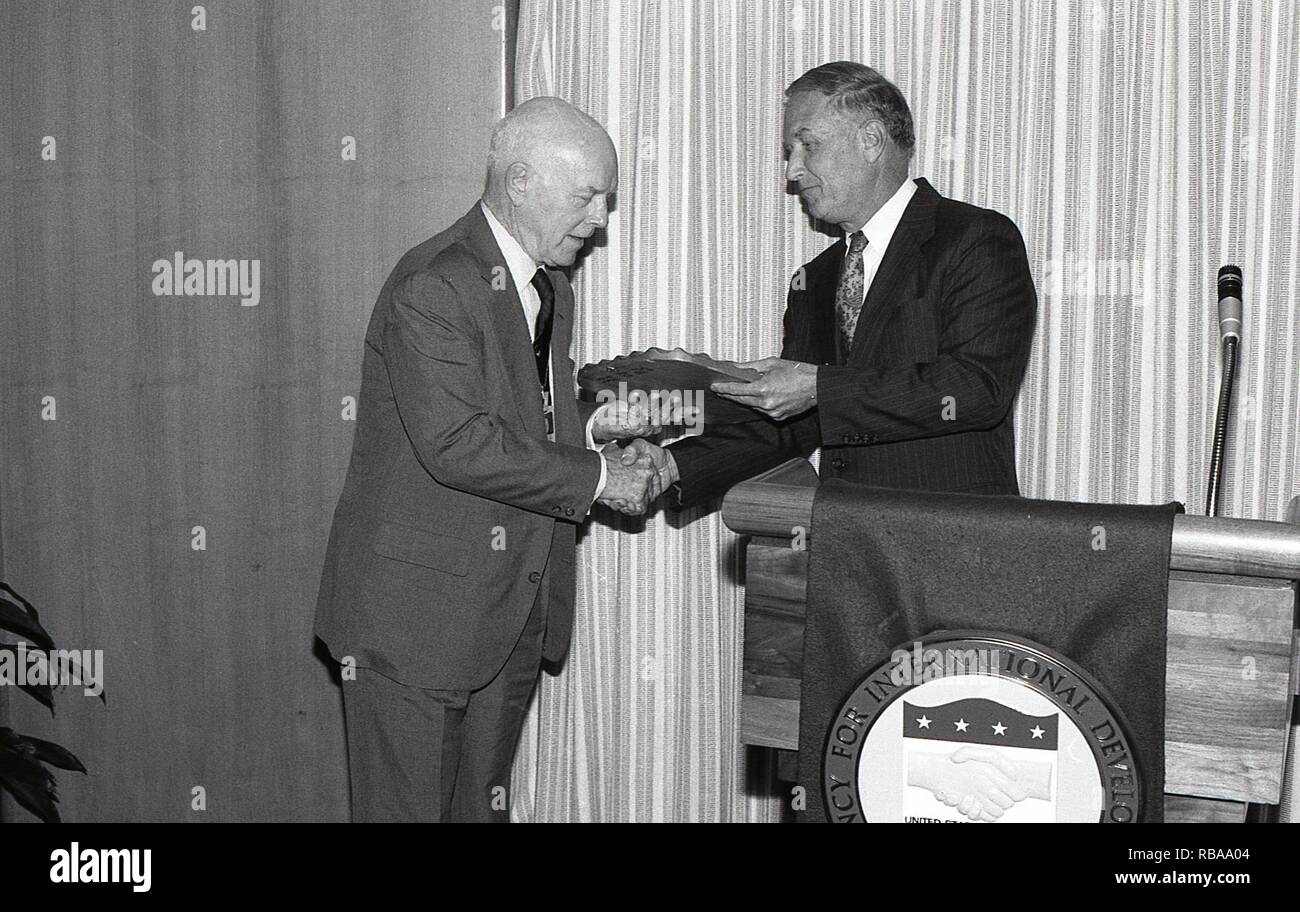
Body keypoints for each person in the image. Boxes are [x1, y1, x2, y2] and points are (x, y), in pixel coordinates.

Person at [315, 97, 661, 822]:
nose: (600, 219)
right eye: (588, 196)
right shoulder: (435, 284)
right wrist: (600, 479)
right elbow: (457, 445)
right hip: (416, 623)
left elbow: (520, 417)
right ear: (522, 181)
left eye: (607, 199)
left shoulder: (548, 286)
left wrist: (595, 426)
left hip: (508, 611)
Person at [627, 61, 1037, 506]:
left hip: (951, 540)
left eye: (808, 145)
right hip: (843, 543)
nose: (792, 171)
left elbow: (977, 389)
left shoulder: (974, 239)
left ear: (872, 140)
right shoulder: (815, 279)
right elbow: (794, 425)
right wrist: (675, 456)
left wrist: (818, 387)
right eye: (790, 152)